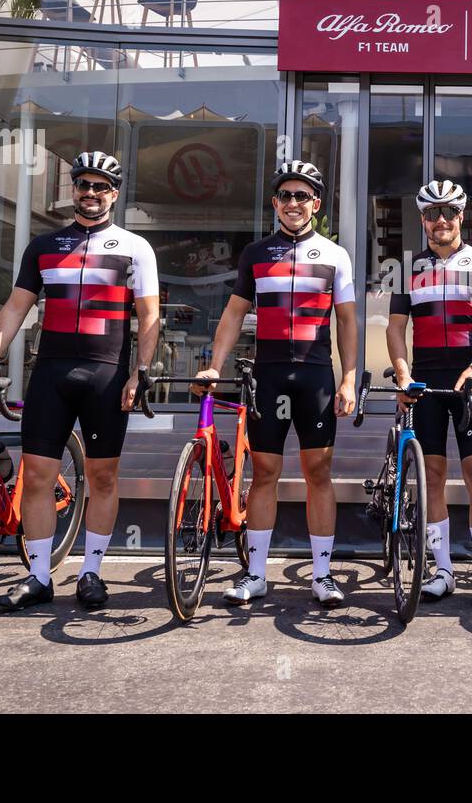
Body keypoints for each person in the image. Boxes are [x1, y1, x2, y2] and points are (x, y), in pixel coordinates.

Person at [0, 151, 160, 611]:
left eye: (101, 186)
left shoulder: (134, 247)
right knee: (37, 479)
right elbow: (15, 307)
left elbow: (149, 315)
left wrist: (140, 372)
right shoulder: (44, 245)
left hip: (106, 375)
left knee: (102, 476)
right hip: (50, 372)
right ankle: (38, 576)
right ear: (73, 189)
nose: (91, 193)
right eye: (83, 185)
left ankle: (91, 572)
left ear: (114, 193)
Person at [193, 160, 357, 608]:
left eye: (302, 196)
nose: (293, 203)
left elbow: (347, 321)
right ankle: (256, 574)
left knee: (317, 473)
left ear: (316, 204)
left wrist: (348, 377)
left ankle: (322, 576)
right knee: (264, 473)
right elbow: (232, 314)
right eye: (285, 195)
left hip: (315, 376)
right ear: (275, 203)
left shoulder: (334, 256)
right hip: (268, 376)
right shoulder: (255, 253)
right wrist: (215, 366)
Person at [387, 180, 472, 608]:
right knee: (433, 478)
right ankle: (441, 569)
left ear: (463, 216)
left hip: (469, 382)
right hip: (424, 383)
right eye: (431, 213)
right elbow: (394, 327)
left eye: (449, 212)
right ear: (422, 219)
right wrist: (403, 374)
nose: (441, 220)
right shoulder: (407, 265)